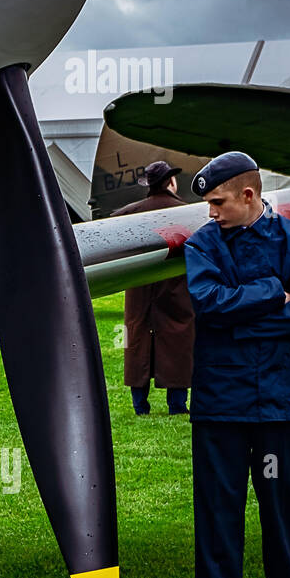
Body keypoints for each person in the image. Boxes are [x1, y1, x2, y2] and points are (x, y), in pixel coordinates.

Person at [184, 151, 290, 578]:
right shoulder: (202, 246)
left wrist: (240, 323)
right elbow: (207, 303)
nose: (211, 213)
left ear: (249, 195)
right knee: (220, 504)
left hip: (281, 402)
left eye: (218, 202)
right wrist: (270, 292)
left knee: (280, 501)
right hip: (222, 402)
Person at [112, 161, 194, 415]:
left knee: (137, 343)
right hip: (177, 287)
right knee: (179, 341)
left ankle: (140, 405)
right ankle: (177, 404)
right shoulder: (188, 212)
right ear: (170, 182)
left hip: (139, 289)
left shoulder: (129, 213)